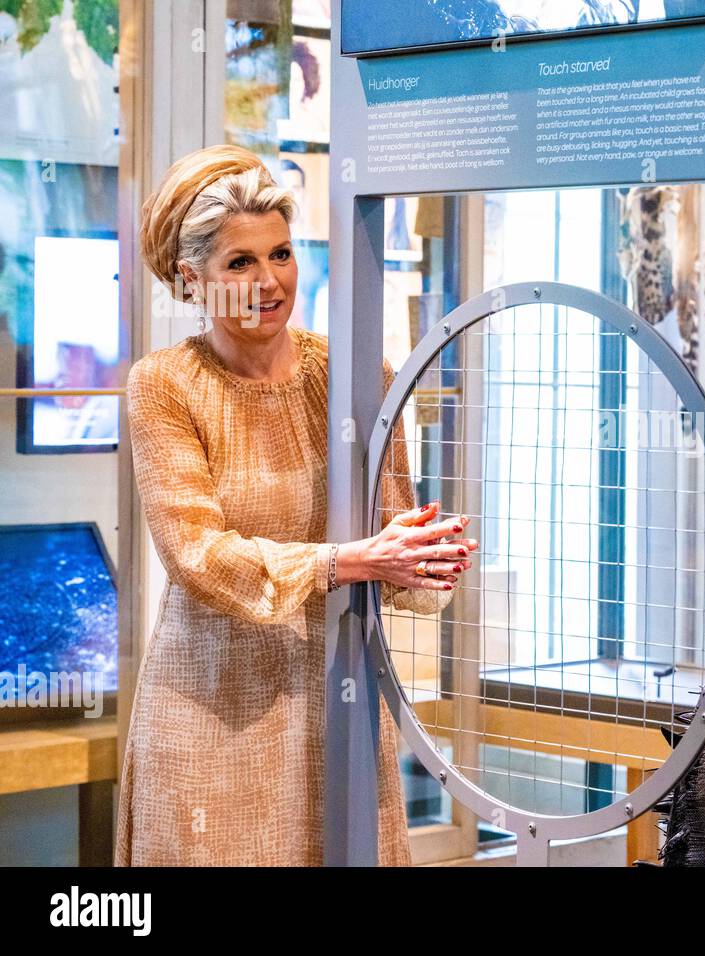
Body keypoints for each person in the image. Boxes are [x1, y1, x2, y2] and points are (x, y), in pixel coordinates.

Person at [115, 144, 476, 865]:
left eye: (280, 253)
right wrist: (347, 561)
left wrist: (425, 561)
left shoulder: (356, 375)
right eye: (239, 264)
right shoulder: (163, 386)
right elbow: (197, 557)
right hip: (207, 715)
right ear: (193, 280)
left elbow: (391, 543)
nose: (269, 281)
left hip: (336, 705)